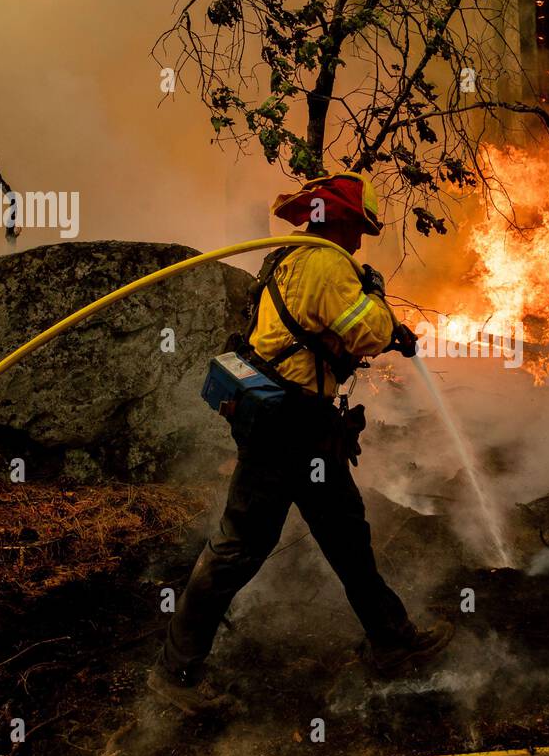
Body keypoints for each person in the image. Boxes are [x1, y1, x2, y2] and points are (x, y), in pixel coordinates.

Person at [149, 171, 453, 716]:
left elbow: (328, 328)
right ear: (337, 221)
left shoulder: (295, 258)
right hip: (285, 426)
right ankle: (176, 672)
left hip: (301, 423)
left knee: (345, 533)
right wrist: (379, 303)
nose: (362, 239)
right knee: (240, 547)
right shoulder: (327, 262)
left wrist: (377, 313)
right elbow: (365, 330)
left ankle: (392, 640)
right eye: (358, 227)